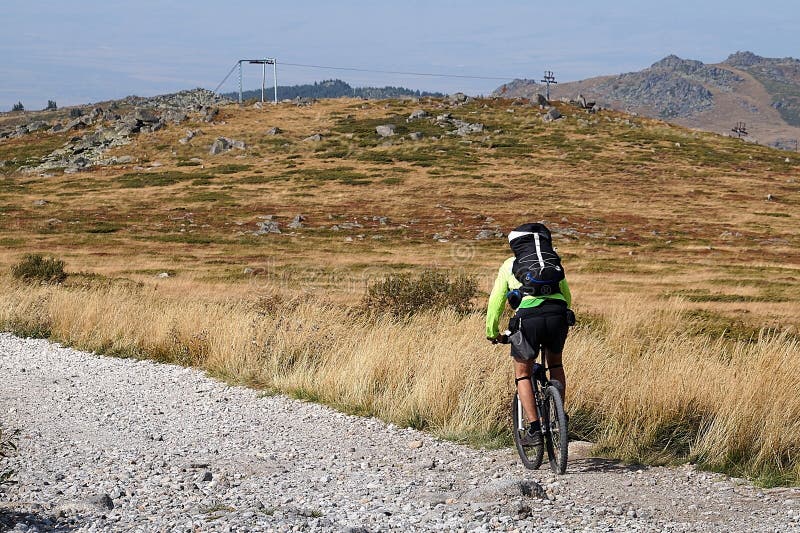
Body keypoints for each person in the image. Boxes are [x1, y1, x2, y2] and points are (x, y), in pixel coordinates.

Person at [485, 228, 572, 447]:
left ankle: (534, 429)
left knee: (523, 374)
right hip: (558, 316)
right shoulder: (550, 262)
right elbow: (567, 297)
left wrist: (492, 332)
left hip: (529, 320)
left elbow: (496, 301)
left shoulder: (510, 265)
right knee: (555, 364)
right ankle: (559, 417)